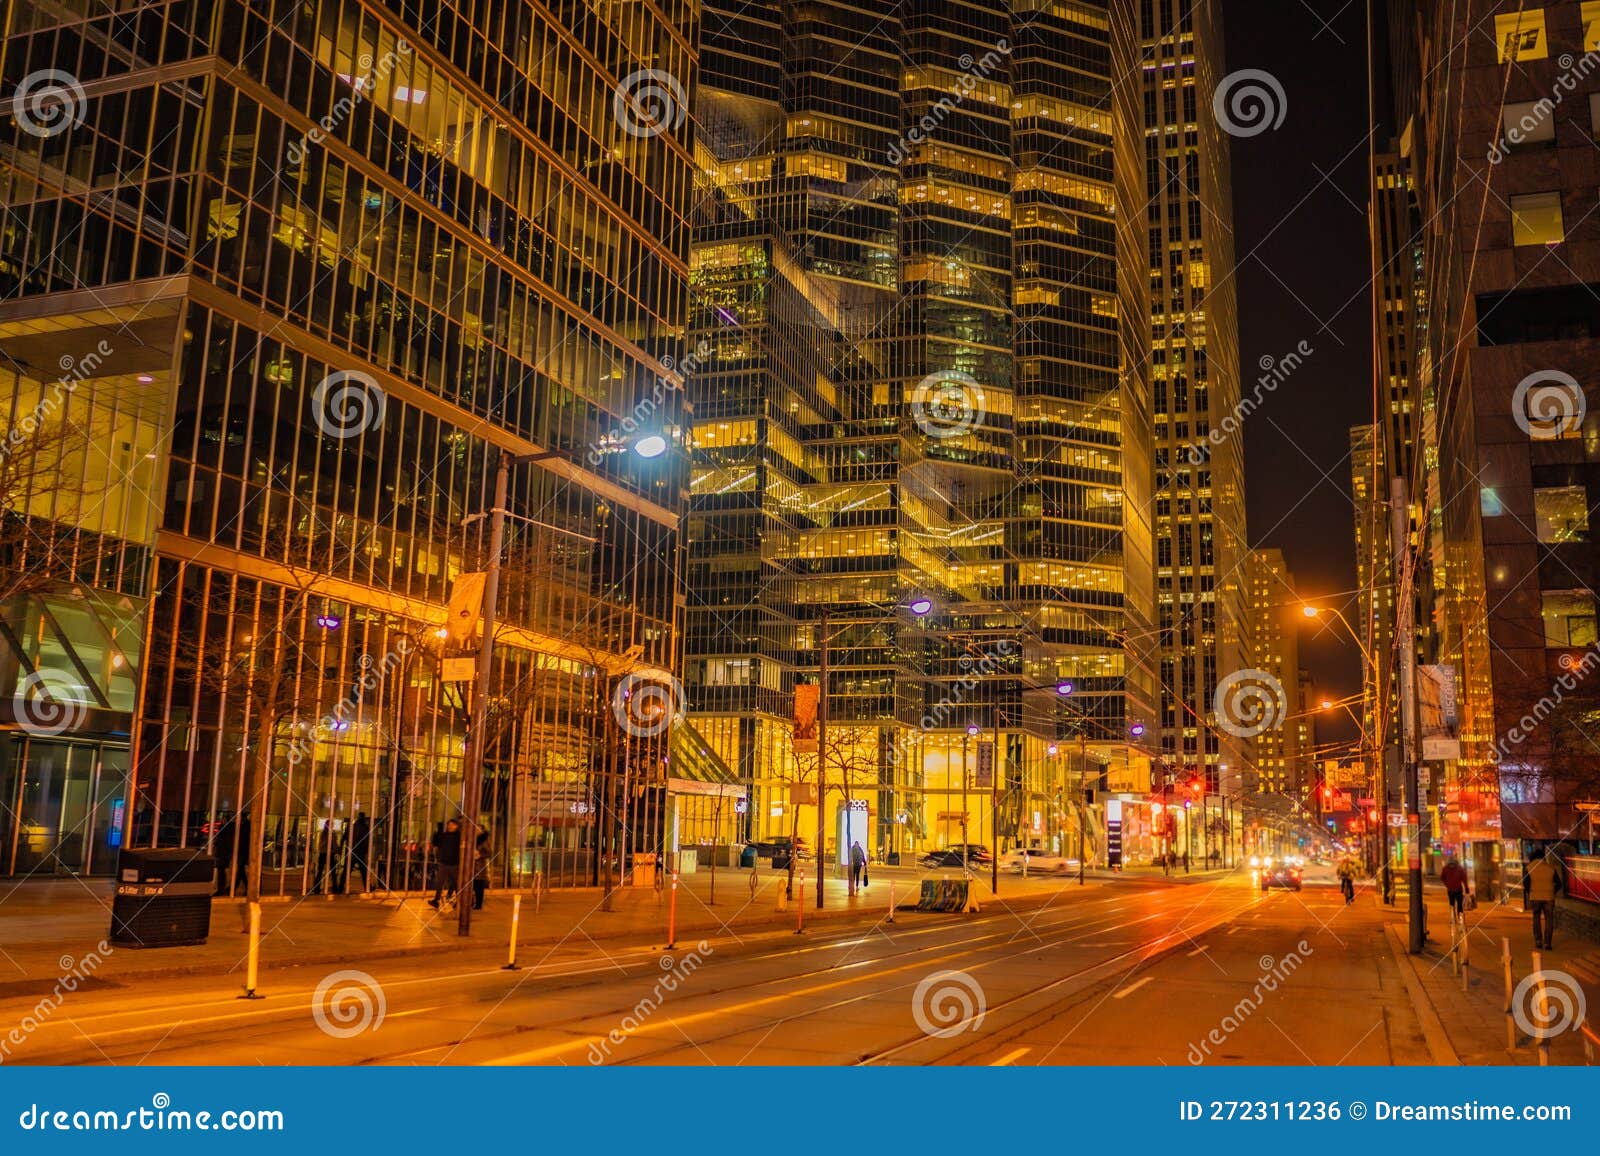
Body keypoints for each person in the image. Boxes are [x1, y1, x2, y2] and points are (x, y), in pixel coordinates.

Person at [1523, 849, 1565, 950]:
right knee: (1549, 919)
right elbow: (1559, 884)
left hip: (1535, 897)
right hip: (1549, 897)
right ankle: (1547, 943)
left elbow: (1525, 883)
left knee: (1536, 918)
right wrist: (1552, 891)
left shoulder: (1529, 868)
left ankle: (1538, 941)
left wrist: (1531, 892)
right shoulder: (1550, 868)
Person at [429, 818, 461, 910]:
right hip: (443, 863)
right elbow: (436, 843)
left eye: (452, 824)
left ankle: (459, 901)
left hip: (454, 863)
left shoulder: (459, 837)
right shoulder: (444, 835)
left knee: (456, 883)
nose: (450, 826)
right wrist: (437, 833)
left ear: (457, 826)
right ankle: (436, 900)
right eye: (449, 824)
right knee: (439, 882)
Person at [350, 812, 371, 894]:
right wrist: (366, 851)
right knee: (364, 871)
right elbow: (366, 841)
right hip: (360, 852)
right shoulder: (365, 827)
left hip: (354, 851)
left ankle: (340, 887)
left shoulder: (354, 826)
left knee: (348, 870)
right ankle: (367, 887)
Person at [471, 830, 491, 910]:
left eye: (479, 829)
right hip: (472, 866)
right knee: (473, 886)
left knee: (478, 886)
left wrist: (480, 855)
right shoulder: (472, 839)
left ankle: (478, 904)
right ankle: (473, 902)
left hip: (480, 866)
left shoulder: (484, 841)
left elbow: (489, 853)